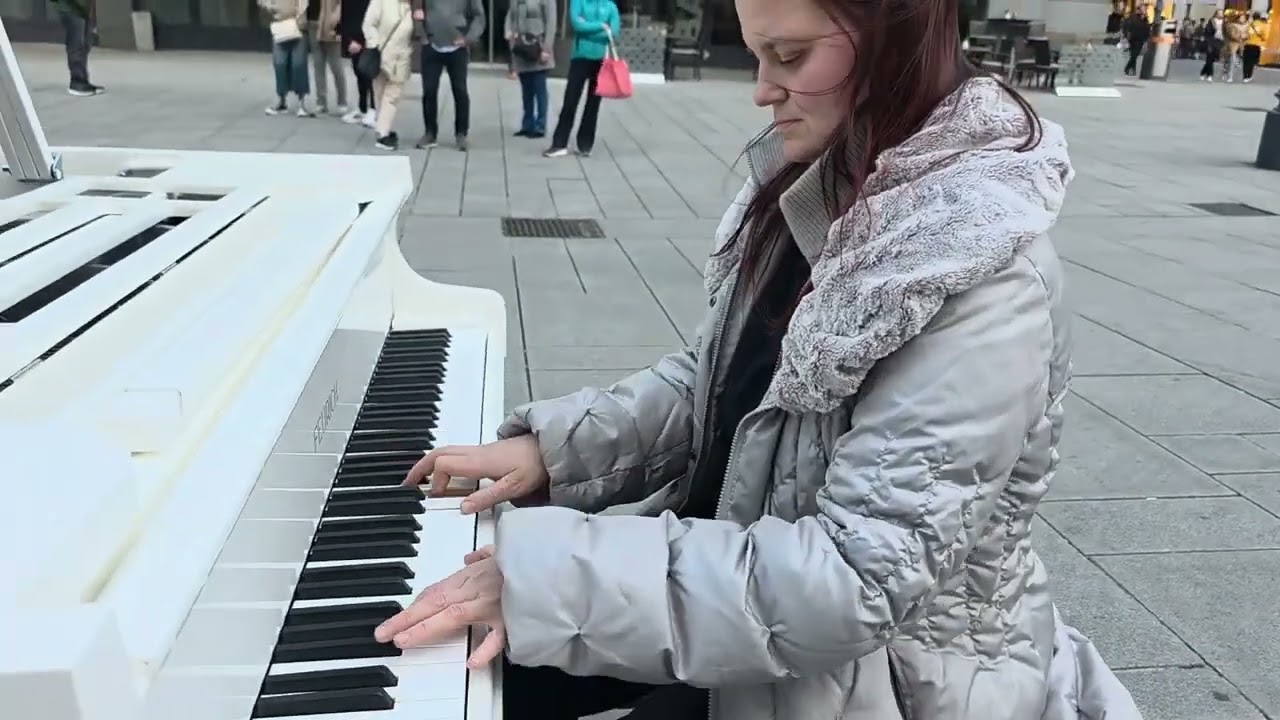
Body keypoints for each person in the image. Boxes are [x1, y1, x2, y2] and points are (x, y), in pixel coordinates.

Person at [371, 0, 1146, 718]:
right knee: (434, 652)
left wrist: (549, 578)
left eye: (790, 55)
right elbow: (719, 387)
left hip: (883, 679)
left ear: (898, 35)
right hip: (739, 589)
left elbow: (856, 580)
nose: (762, 90)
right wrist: (554, 451)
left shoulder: (983, 274)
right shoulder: (821, 188)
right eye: (756, 53)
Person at [542, 0, 620, 158]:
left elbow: (614, 32)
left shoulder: (610, 6)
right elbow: (577, 26)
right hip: (580, 57)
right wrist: (602, 26)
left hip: (601, 60)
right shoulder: (578, 2)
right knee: (570, 100)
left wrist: (589, 28)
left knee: (593, 104)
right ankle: (559, 144)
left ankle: (585, 144)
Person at [412, 0, 486, 151]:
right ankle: (430, 133)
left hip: (457, 47)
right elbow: (416, 9)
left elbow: (479, 16)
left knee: (460, 91)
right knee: (429, 91)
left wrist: (468, 38)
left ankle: (461, 133)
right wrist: (421, 34)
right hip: (431, 44)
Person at [361, 0, 414, 150]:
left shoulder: (412, 5)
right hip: (381, 55)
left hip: (401, 58)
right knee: (380, 94)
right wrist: (374, 45)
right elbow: (368, 24)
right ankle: (383, 131)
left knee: (392, 96)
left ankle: (383, 131)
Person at [505, 0, 557, 139]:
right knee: (526, 90)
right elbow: (510, 15)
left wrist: (546, 48)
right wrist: (508, 31)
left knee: (539, 89)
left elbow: (551, 23)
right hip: (521, 48)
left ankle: (540, 125)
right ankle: (527, 124)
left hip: (538, 47)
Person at [261, 0, 313, 115]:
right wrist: (270, 8)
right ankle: (281, 100)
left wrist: (299, 18)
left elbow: (303, 4)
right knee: (279, 63)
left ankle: (301, 102)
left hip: (297, 25)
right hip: (279, 26)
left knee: (298, 64)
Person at [50, 0, 103, 96]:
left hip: (82, 9)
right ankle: (77, 82)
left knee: (84, 44)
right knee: (76, 44)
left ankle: (83, 80)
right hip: (71, 8)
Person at [307, 0, 349, 115]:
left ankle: (342, 101)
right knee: (318, 64)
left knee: (336, 65)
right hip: (313, 22)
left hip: (330, 24)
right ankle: (321, 102)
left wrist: (337, 21)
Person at [339, 0, 378, 126]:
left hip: (370, 38)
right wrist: (349, 39)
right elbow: (345, 16)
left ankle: (373, 109)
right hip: (354, 37)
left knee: (369, 75)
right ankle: (362, 108)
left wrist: (364, 41)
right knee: (359, 73)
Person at [1122, 10, 1150, 76]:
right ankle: (1127, 68)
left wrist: (1126, 37)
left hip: (1132, 40)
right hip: (1139, 41)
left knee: (1133, 55)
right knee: (1134, 56)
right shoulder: (1143, 23)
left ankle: (1133, 70)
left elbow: (1126, 29)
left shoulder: (1131, 20)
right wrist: (1145, 40)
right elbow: (1147, 33)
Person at [1243, 12, 1269, 83]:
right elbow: (1265, 37)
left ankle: (1245, 76)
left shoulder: (1249, 25)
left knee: (1246, 61)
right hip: (1256, 45)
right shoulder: (1262, 25)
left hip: (1248, 44)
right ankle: (1249, 75)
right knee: (1252, 61)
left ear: (1253, 17)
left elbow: (1245, 34)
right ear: (1259, 17)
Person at [1222, 11, 1248, 82]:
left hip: (1241, 45)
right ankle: (1228, 75)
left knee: (1234, 60)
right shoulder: (1232, 25)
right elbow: (1231, 34)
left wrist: (1244, 36)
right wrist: (1239, 37)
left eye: (1244, 18)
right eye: (1241, 18)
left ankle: (1230, 73)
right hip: (1233, 44)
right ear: (1238, 19)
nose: (1243, 19)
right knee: (1231, 60)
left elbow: (1248, 34)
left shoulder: (1246, 26)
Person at [1200, 9, 1225, 81]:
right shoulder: (1212, 21)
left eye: (1222, 13)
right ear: (1216, 14)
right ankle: (1210, 75)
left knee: (1213, 58)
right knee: (1209, 57)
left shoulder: (1224, 22)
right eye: (1219, 13)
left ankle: (1203, 72)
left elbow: (1226, 31)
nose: (1221, 14)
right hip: (1211, 41)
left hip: (1219, 42)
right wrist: (1215, 30)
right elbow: (1207, 31)